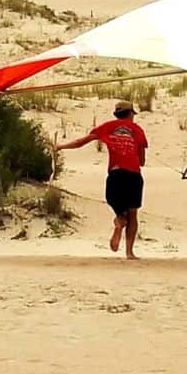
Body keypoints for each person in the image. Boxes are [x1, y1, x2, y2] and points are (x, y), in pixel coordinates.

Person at [54, 100, 147, 259]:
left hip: (117, 173)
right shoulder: (137, 130)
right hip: (133, 175)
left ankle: (119, 219)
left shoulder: (108, 127)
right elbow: (142, 161)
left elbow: (80, 142)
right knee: (133, 213)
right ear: (131, 114)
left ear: (117, 114)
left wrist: (60, 147)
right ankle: (129, 252)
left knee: (114, 201)